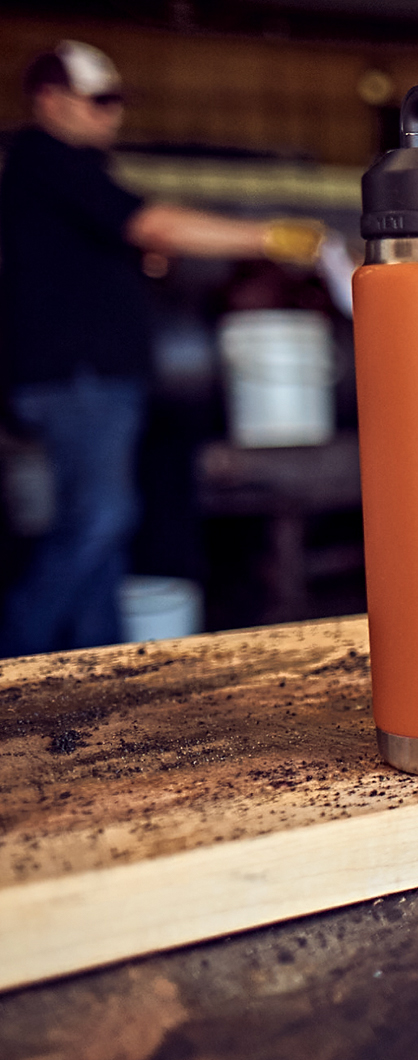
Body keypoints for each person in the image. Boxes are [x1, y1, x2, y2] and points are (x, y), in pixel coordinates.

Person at [0, 41, 325, 657]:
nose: (112, 114)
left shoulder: (75, 175)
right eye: (99, 100)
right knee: (98, 521)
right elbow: (154, 223)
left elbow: (134, 244)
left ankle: (96, 662)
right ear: (50, 101)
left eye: (117, 100)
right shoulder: (46, 159)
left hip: (97, 379)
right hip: (78, 378)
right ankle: (17, 653)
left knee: (105, 532)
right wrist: (272, 236)